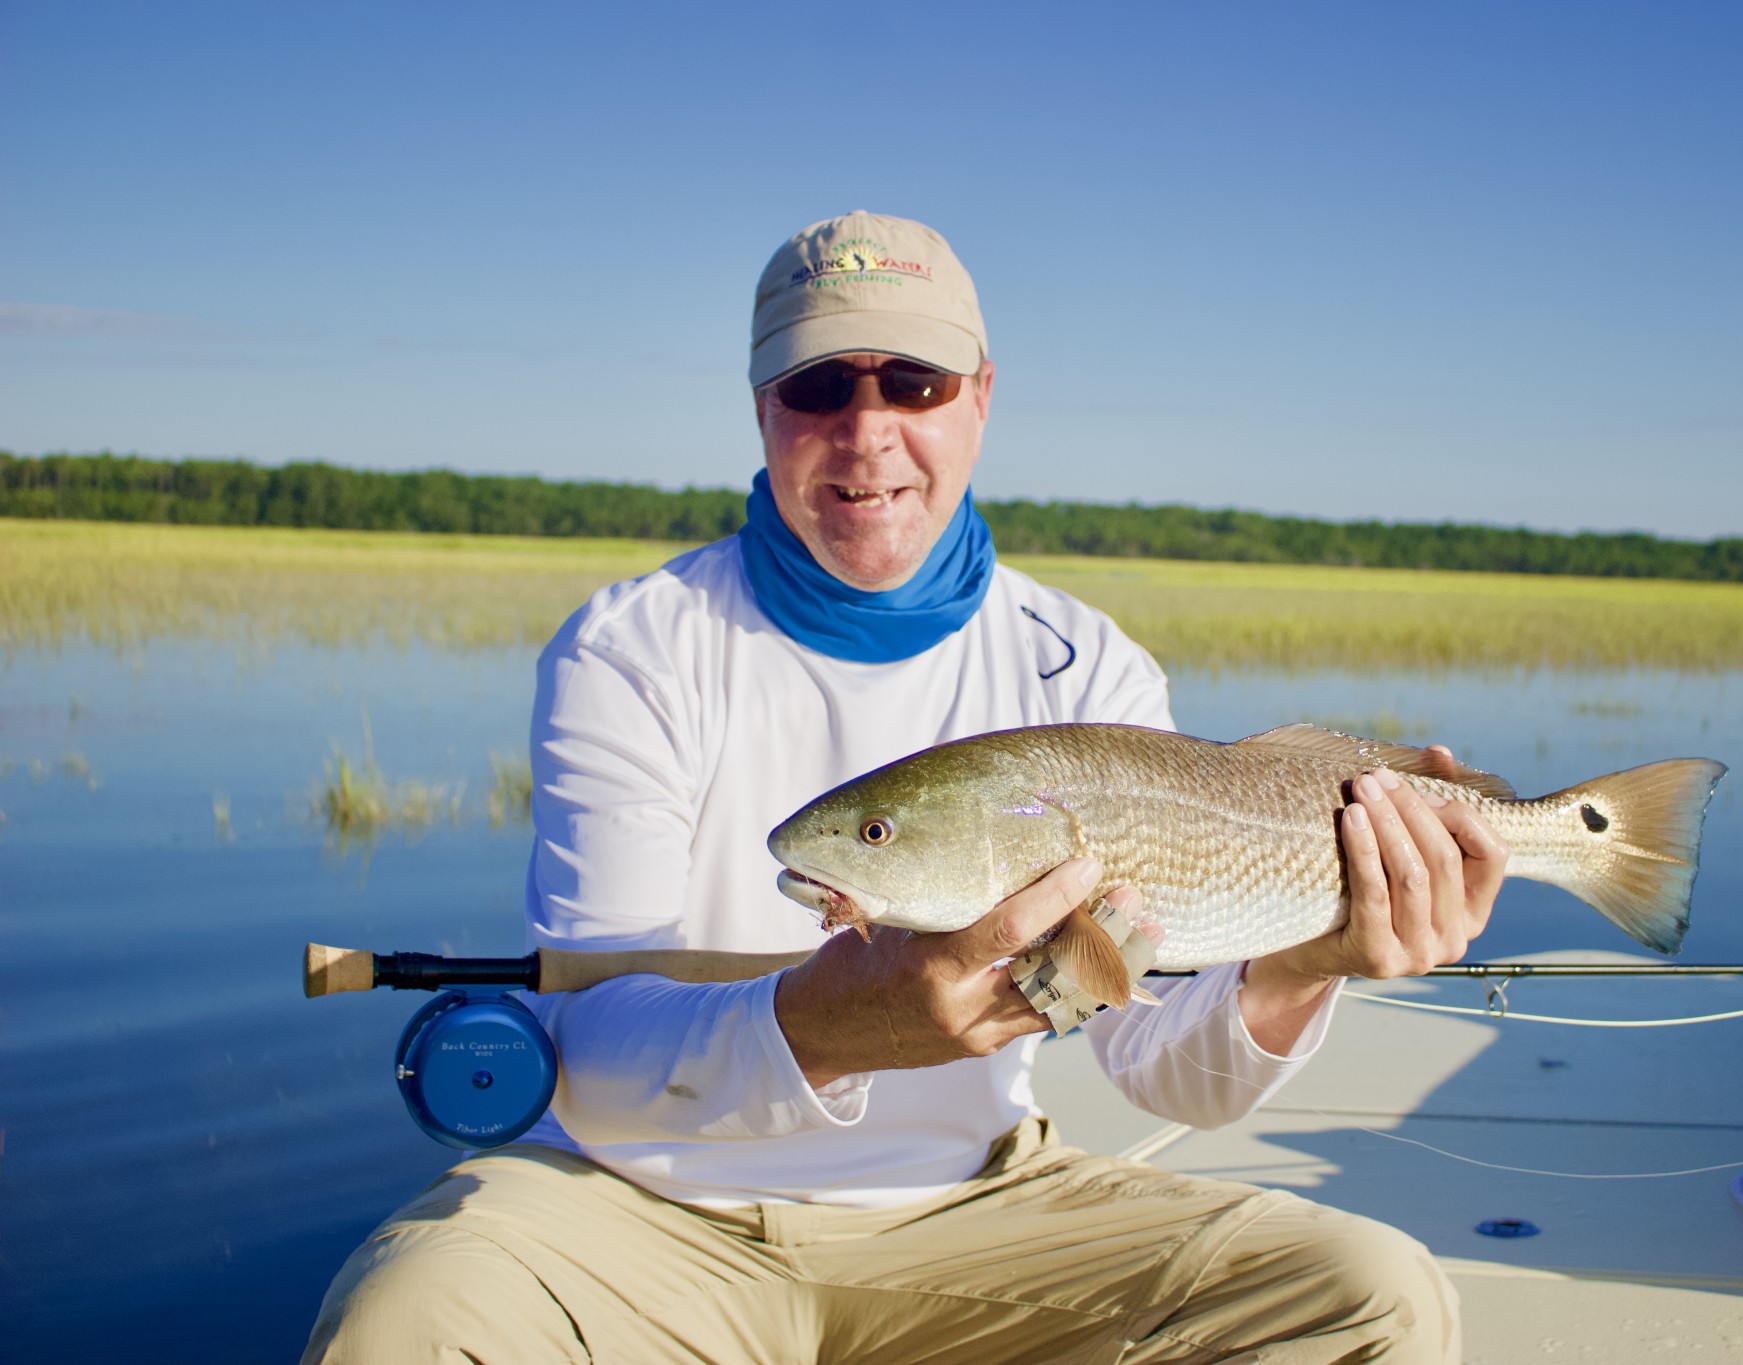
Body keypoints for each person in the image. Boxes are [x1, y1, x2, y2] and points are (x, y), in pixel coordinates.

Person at [304, 211, 1508, 1363]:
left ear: (981, 398)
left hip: (976, 1205)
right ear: (762, 409)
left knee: (1374, 1301)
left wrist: (1302, 962)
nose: (865, 431)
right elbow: (602, 1064)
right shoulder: (634, 647)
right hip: (641, 1206)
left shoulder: (1087, 666)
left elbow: (1160, 1070)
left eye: (913, 385)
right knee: (407, 1320)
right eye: (818, 387)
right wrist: (827, 1025)